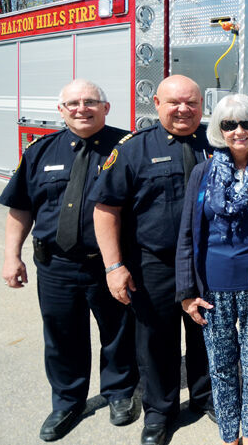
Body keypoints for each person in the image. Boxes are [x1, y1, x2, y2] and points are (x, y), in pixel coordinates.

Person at [0, 79, 138, 441]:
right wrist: (11, 256)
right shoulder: (39, 151)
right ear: (60, 110)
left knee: (118, 331)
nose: (82, 108)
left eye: (91, 101)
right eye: (73, 103)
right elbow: (21, 208)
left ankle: (120, 393)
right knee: (62, 337)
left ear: (106, 108)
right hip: (55, 266)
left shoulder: (129, 148)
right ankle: (67, 401)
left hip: (109, 264)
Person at [91, 75, 214, 445]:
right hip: (154, 264)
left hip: (208, 262)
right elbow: (105, 209)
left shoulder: (219, 141)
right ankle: (160, 412)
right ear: (156, 103)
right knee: (156, 340)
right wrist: (114, 266)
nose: (183, 109)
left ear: (202, 106)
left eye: (192, 102)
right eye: (174, 102)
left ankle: (207, 397)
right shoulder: (133, 148)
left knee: (207, 333)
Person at [175, 94, 248, 445]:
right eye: (229, 124)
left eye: (247, 123)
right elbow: (187, 235)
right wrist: (187, 293)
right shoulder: (203, 172)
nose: (239, 130)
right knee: (222, 365)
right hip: (211, 288)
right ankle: (230, 433)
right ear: (219, 130)